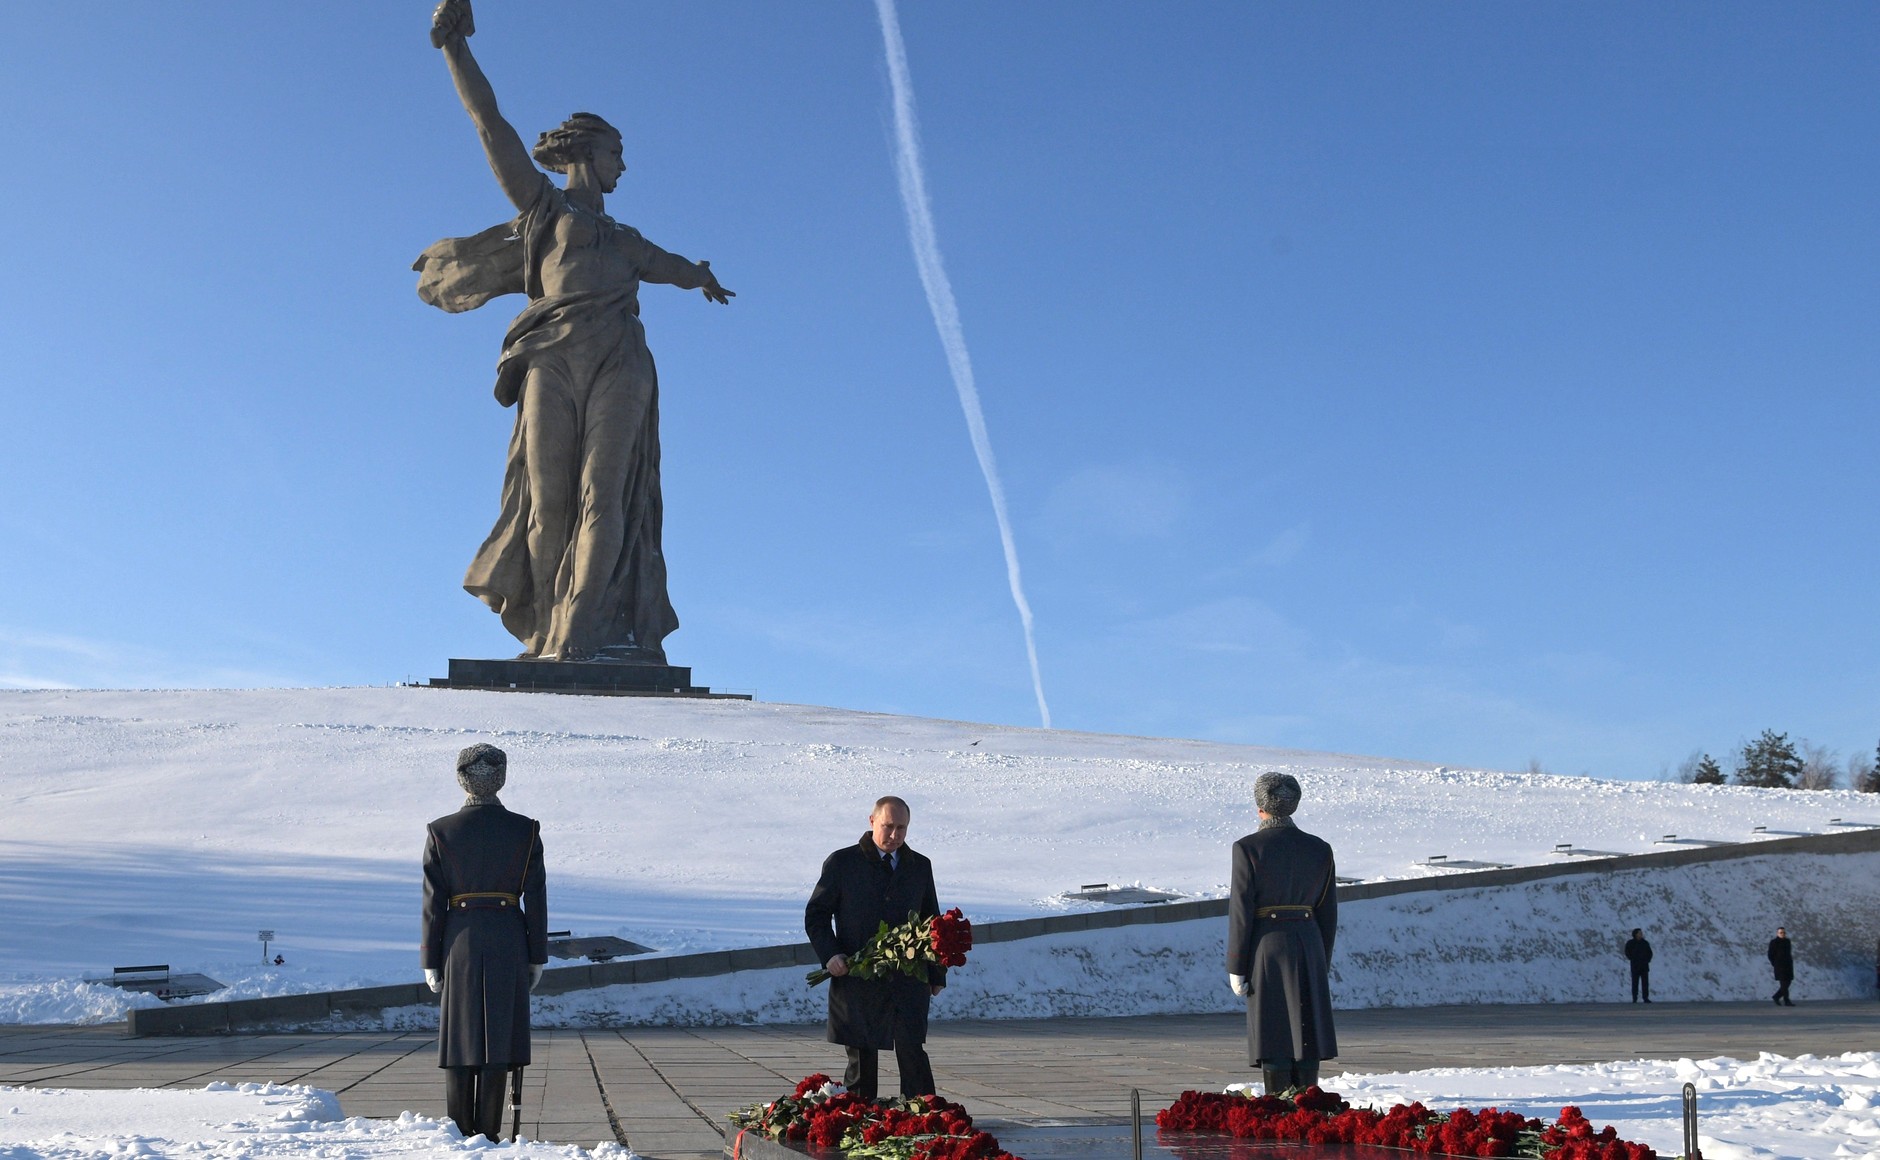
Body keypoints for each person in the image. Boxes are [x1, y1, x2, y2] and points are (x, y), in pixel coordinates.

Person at [421, 0, 734, 664]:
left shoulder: (627, 240)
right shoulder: (544, 207)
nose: (624, 166)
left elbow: (671, 266)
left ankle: (578, 636)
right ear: (589, 153)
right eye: (618, 153)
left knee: (606, 495)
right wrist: (455, 48)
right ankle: (544, 632)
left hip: (620, 360)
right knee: (548, 504)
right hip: (551, 358)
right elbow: (489, 124)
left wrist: (700, 274)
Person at [422, 744, 548, 1139]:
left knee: (460, 1038)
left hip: (459, 941)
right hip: (509, 937)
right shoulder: (525, 830)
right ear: (501, 778)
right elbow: (537, 897)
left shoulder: (441, 831)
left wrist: (429, 958)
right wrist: (537, 955)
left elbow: (433, 902)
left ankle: (459, 1133)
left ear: (461, 778)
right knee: (499, 1038)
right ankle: (490, 1134)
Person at [805, 796, 946, 1101]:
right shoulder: (842, 863)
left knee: (912, 1052)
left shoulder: (920, 866)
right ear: (872, 822)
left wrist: (936, 973)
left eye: (902, 828)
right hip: (858, 977)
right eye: (888, 826)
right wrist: (831, 954)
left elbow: (931, 921)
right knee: (861, 1060)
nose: (894, 835)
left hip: (908, 978)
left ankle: (924, 1120)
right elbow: (816, 916)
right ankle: (860, 1121)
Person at [1226, 773, 1339, 1095]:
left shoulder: (1248, 847)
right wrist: (1322, 958)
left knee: (1273, 1029)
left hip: (1268, 945)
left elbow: (1241, 910)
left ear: (1260, 806)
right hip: (1309, 941)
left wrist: (1236, 964)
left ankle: (1278, 1103)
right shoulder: (1319, 848)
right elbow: (1327, 911)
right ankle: (1308, 1103)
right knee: (1307, 1029)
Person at [1623, 928, 1652, 1003]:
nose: (1641, 934)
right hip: (1635, 966)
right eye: (1639, 933)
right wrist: (1632, 958)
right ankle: (1634, 998)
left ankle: (1645, 997)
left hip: (1644, 966)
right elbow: (1627, 952)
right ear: (1635, 934)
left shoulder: (1645, 943)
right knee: (1635, 983)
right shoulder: (1630, 943)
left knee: (1645, 983)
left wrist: (1647, 960)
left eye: (1641, 933)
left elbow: (1650, 953)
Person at [1768, 926, 1794, 1006]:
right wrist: (1774, 963)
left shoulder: (1787, 941)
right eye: (1781, 932)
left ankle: (1776, 996)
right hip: (1780, 966)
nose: (1782, 934)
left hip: (1788, 965)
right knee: (1784, 984)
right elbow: (1770, 954)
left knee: (1788, 982)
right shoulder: (1774, 942)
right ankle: (1786, 1000)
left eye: (1784, 932)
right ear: (1777, 933)